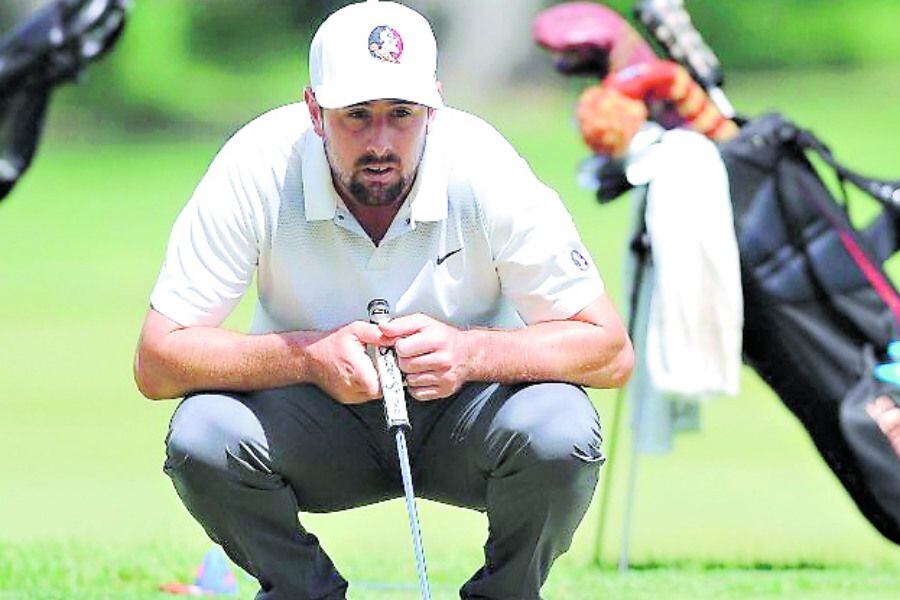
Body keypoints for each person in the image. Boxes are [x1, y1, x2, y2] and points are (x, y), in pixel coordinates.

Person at [133, 1, 633, 598]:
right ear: (314, 112)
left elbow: (608, 350)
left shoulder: (485, 167)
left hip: (466, 418)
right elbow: (158, 360)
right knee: (204, 434)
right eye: (356, 115)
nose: (380, 142)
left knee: (559, 426)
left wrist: (470, 353)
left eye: (401, 114)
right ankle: (303, 592)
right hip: (315, 420)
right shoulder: (258, 164)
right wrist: (308, 357)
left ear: (433, 108)